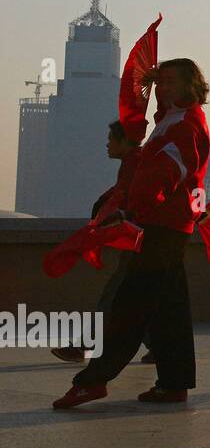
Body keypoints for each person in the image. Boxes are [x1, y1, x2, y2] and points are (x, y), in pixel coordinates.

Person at [54, 58, 210, 409]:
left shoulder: (186, 125)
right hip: (167, 223)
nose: (164, 88)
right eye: (162, 82)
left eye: (171, 82)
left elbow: (167, 173)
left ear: (190, 85)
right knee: (170, 308)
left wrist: (132, 209)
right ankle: (174, 384)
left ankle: (92, 381)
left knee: (129, 304)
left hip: (160, 224)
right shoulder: (171, 118)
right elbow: (159, 122)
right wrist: (152, 85)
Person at [51, 120, 155, 364]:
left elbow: (132, 196)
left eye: (111, 139)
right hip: (142, 241)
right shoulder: (133, 162)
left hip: (139, 241)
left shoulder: (135, 162)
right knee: (136, 298)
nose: (107, 144)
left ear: (123, 141)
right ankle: (159, 346)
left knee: (114, 294)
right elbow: (122, 191)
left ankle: (84, 346)